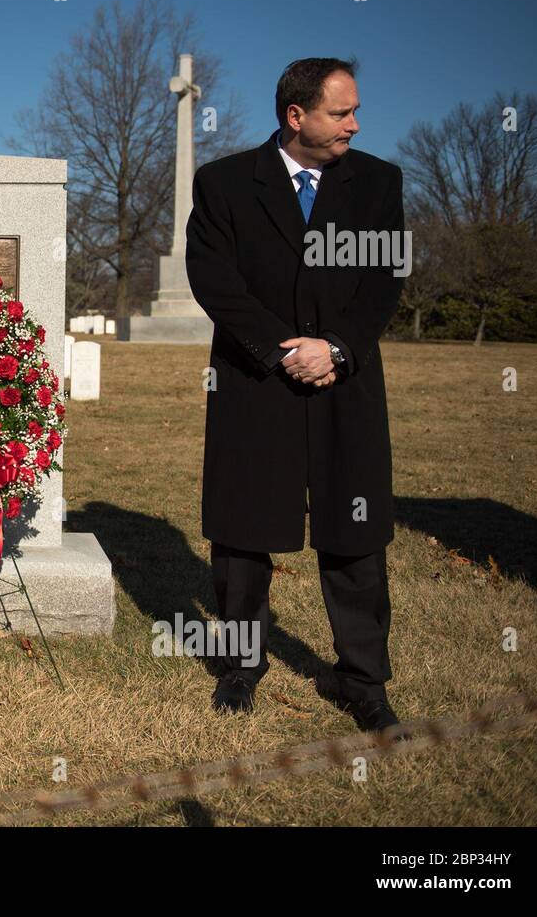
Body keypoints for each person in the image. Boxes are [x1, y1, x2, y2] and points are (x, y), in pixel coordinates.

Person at [185, 57, 406, 732]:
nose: (354, 124)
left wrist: (335, 348)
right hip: (258, 382)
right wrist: (285, 349)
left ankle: (362, 680)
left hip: (346, 381)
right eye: (341, 112)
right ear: (296, 116)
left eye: (354, 111)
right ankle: (241, 667)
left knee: (355, 534)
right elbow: (214, 279)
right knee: (244, 535)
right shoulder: (224, 183)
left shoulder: (377, 182)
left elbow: (383, 283)